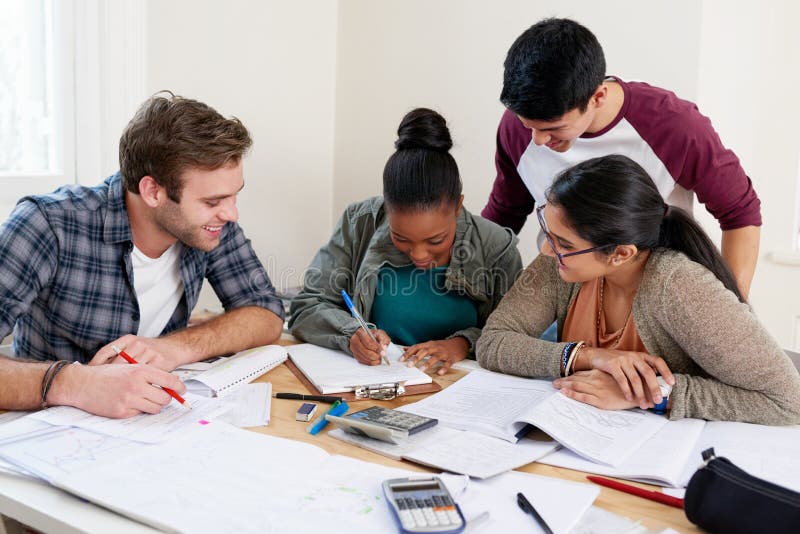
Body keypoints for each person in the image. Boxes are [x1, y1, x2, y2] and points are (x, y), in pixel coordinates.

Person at [0, 92, 284, 418]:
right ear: (153, 191)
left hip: (153, 431)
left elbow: (266, 312)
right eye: (212, 201)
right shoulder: (47, 225)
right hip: (46, 433)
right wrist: (75, 384)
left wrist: (173, 348)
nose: (231, 213)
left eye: (234, 196)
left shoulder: (209, 226)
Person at [476, 155, 800, 425]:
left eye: (563, 243)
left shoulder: (680, 287)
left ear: (621, 254)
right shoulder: (561, 264)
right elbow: (494, 342)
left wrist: (647, 394)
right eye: (548, 231)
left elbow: (789, 401)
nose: (547, 250)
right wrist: (589, 357)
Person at [481, 18, 761, 299]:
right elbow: (504, 214)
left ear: (598, 96)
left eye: (553, 129)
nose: (538, 140)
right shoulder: (517, 129)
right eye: (529, 126)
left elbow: (739, 212)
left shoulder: (674, 126)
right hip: (566, 294)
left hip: (657, 295)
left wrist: (735, 305)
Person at [290, 108, 522, 375]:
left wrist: (460, 345)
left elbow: (514, 335)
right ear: (387, 209)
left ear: (458, 207)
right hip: (377, 380)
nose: (419, 254)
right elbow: (307, 307)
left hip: (460, 388)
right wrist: (352, 334)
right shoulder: (360, 222)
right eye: (400, 238)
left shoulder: (497, 247)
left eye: (436, 240)